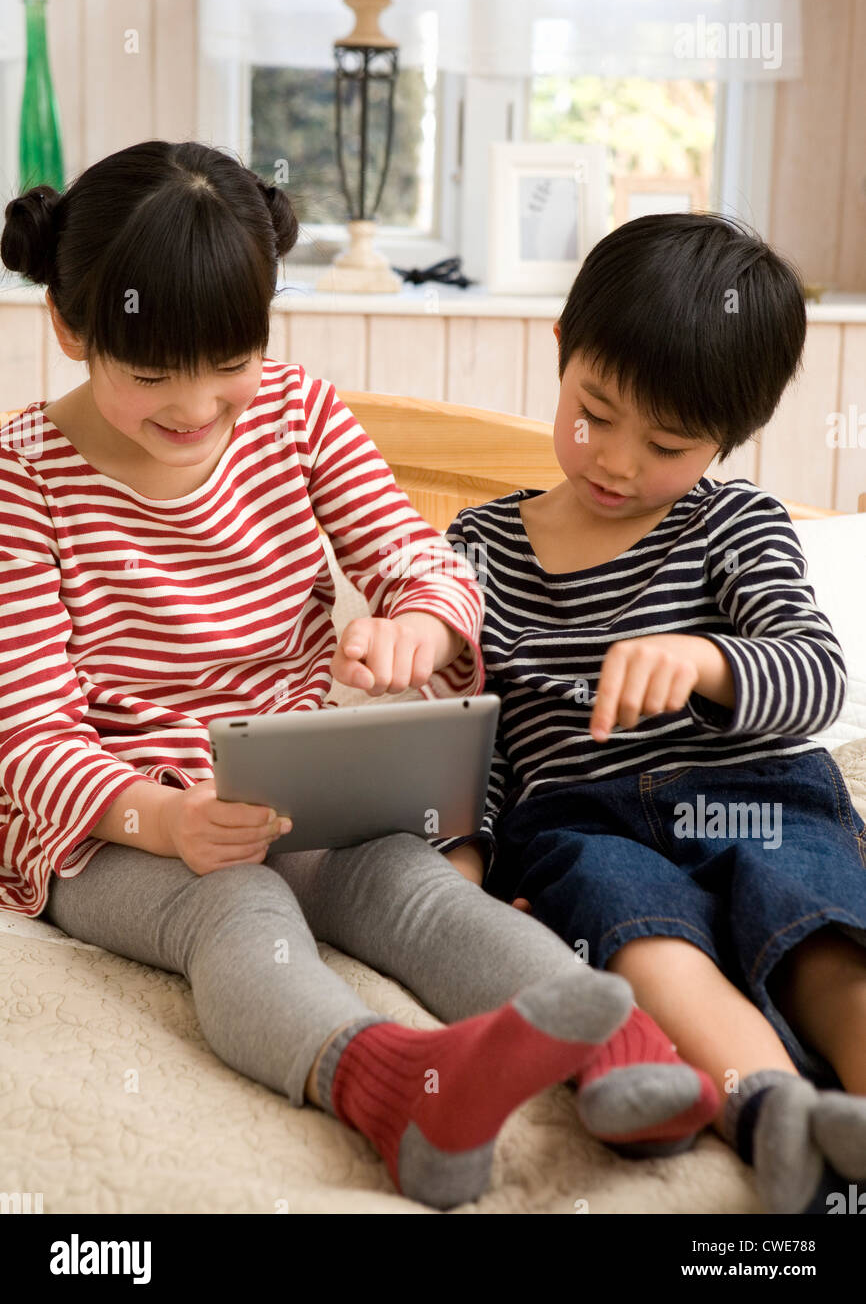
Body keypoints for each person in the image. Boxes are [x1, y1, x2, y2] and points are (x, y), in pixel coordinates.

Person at [0, 141, 719, 1212]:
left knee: (408, 883)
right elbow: (27, 735)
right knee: (236, 905)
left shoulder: (298, 416)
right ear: (69, 324)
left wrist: (417, 628)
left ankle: (621, 1052)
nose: (196, 406)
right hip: (114, 823)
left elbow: (424, 563)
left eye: (231, 363)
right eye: (150, 375)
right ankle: (392, 1088)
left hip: (295, 782)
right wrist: (166, 818)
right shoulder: (23, 478)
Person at [441, 211, 866, 1215]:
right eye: (594, 413)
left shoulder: (735, 521)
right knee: (639, 934)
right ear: (560, 350)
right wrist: (463, 861)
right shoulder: (478, 546)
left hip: (756, 789)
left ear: (729, 439)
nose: (619, 463)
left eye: (668, 443)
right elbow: (472, 736)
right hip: (580, 817)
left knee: (816, 920)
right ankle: (774, 1116)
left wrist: (708, 660)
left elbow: (817, 674)